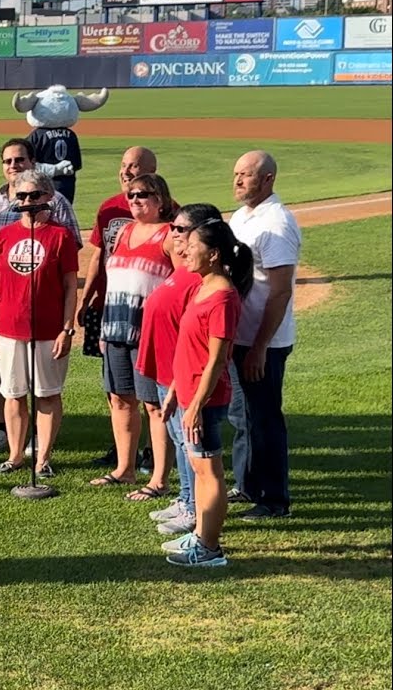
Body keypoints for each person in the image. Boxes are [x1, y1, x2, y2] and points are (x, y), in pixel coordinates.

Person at [0, 139, 81, 452]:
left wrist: (67, 327)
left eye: (34, 195)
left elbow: (70, 281)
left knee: (45, 392)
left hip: (46, 323)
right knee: (9, 388)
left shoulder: (60, 227)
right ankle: (11, 445)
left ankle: (41, 453)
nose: (27, 200)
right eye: (22, 196)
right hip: (7, 321)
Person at [162, 219, 252, 567]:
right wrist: (174, 391)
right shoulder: (201, 287)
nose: (184, 250)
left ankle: (210, 549)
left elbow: (217, 360)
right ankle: (200, 534)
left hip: (206, 400)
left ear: (213, 254)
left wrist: (196, 405)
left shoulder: (224, 298)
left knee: (208, 471)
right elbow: (190, 347)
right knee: (200, 469)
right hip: (189, 394)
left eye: (193, 245)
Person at [92, 174, 180, 491]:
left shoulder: (170, 235)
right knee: (120, 399)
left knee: (154, 405)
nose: (135, 199)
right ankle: (124, 469)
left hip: (151, 333)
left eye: (143, 194)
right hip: (115, 326)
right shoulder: (124, 230)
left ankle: (159, 478)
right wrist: (103, 328)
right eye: (131, 195)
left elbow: (184, 283)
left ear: (161, 199)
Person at [141, 204, 224, 536]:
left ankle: (194, 511)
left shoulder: (205, 282)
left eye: (180, 229)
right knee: (180, 440)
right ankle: (186, 497)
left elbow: (210, 350)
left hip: (187, 377)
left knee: (196, 452)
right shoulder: (186, 270)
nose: (173, 234)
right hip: (172, 373)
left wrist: (183, 387)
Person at [81, 147, 166, 471]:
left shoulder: (171, 223)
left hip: (147, 326)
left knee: (152, 399)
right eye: (123, 166)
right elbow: (100, 257)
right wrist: (88, 296)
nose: (127, 172)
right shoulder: (112, 214)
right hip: (113, 317)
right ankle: (123, 461)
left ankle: (154, 462)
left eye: (134, 167)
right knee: (118, 392)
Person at [227, 150, 301, 521]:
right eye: (236, 173)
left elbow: (280, 291)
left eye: (247, 175)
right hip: (241, 337)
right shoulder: (243, 217)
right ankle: (247, 485)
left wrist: (259, 347)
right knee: (242, 416)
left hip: (264, 342)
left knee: (265, 418)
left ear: (268, 179)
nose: (238, 180)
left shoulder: (277, 224)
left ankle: (273, 499)